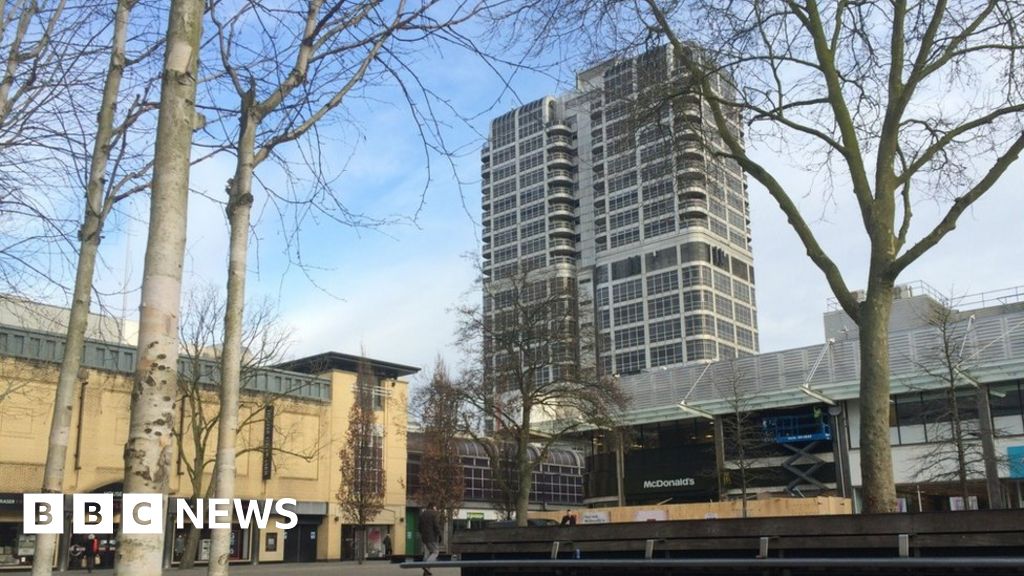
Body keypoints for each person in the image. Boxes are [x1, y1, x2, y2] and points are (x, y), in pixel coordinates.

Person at [418, 503, 443, 576]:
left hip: (424, 538)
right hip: (432, 537)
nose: (436, 509)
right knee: (435, 552)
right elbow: (436, 525)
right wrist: (440, 534)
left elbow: (419, 527)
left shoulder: (422, 514)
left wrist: (423, 533)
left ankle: (426, 572)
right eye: (436, 507)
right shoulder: (434, 514)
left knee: (427, 553)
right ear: (433, 507)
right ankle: (426, 566)